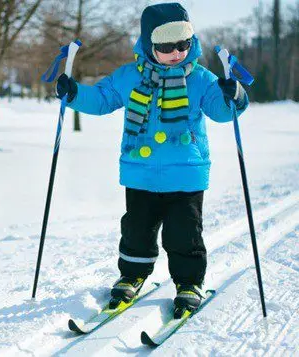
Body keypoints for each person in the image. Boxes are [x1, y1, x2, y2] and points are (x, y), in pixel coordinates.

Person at [55, 2, 249, 311]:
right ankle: (131, 276)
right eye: (167, 45)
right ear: (149, 44)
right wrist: (75, 93)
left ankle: (188, 282)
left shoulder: (199, 78)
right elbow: (103, 99)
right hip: (140, 172)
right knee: (136, 230)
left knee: (184, 232)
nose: (177, 52)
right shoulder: (131, 76)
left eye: (183, 44)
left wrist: (233, 95)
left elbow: (223, 112)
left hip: (185, 174)